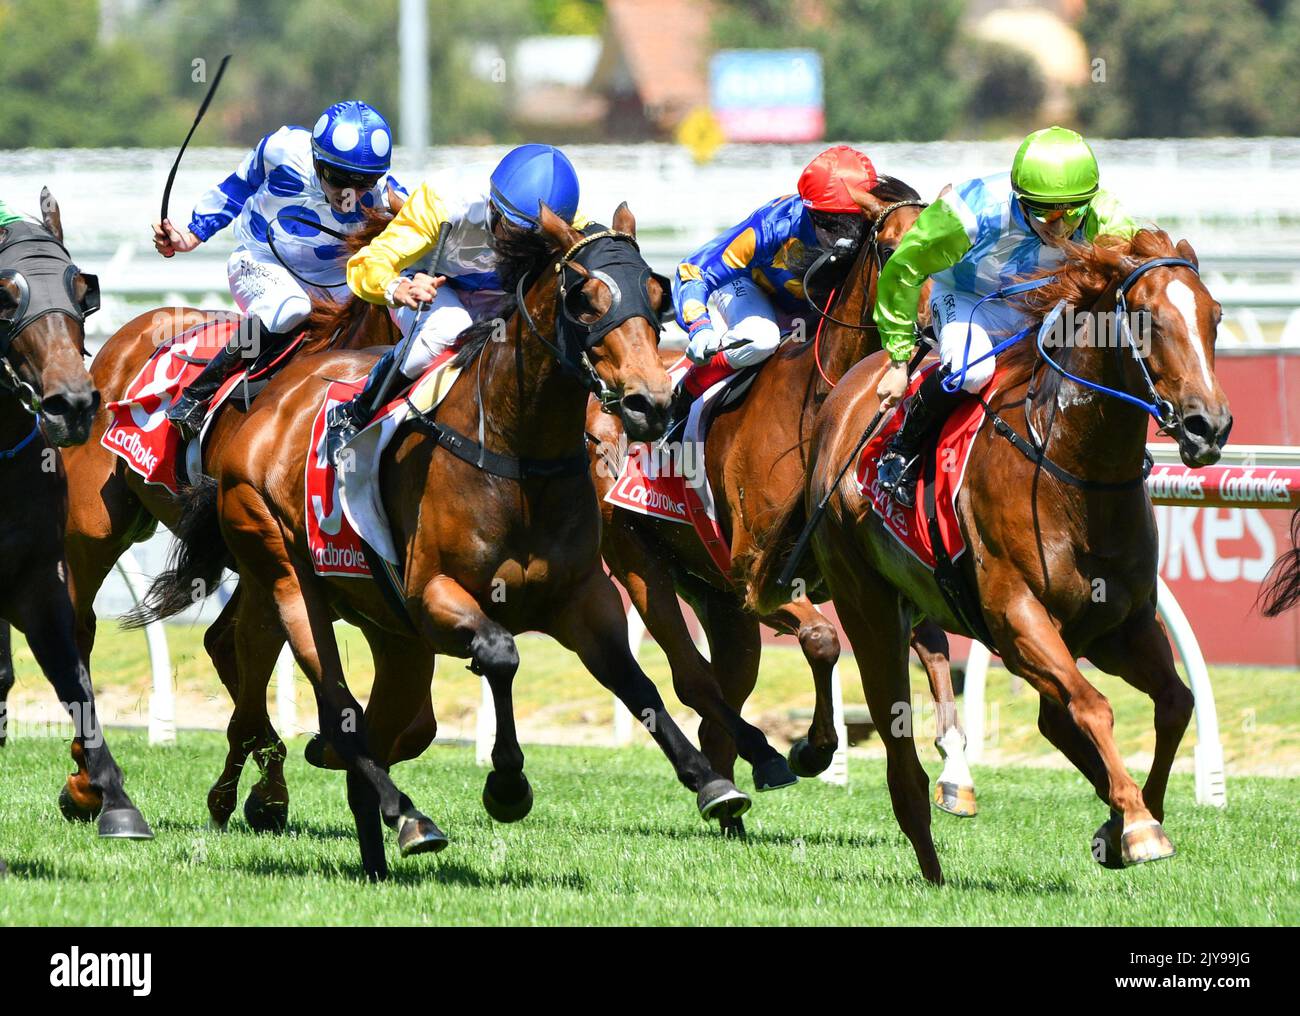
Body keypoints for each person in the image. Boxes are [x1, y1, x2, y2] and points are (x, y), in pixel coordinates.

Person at [872, 125, 1138, 507]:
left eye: (1072, 212)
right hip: (967, 297)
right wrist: (898, 358)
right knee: (972, 371)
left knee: (1088, 348)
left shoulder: (1104, 215)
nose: (1059, 226)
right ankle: (903, 446)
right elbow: (904, 269)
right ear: (1019, 197)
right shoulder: (968, 213)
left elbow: (1136, 271)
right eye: (1044, 212)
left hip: (1039, 302)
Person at [151, 100, 403, 440]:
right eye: (340, 180)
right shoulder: (281, 150)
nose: (350, 196)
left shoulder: (388, 193)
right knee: (291, 309)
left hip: (335, 282)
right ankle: (198, 394)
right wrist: (194, 233)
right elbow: (237, 187)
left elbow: (428, 224)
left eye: (364, 184)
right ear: (316, 159)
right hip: (260, 262)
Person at [323, 143, 584, 462]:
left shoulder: (570, 219)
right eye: (514, 231)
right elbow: (367, 263)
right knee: (449, 328)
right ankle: (355, 412)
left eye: (534, 239)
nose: (518, 247)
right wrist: (399, 288)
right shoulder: (443, 200)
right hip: (429, 286)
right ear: (493, 206)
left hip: (499, 295)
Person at [666, 145, 882, 427]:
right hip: (747, 285)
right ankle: (684, 394)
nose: (845, 237)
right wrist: (699, 327)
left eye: (853, 222)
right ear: (811, 213)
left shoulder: (874, 226)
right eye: (833, 224)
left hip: (806, 306)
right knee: (761, 338)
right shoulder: (775, 226)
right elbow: (694, 270)